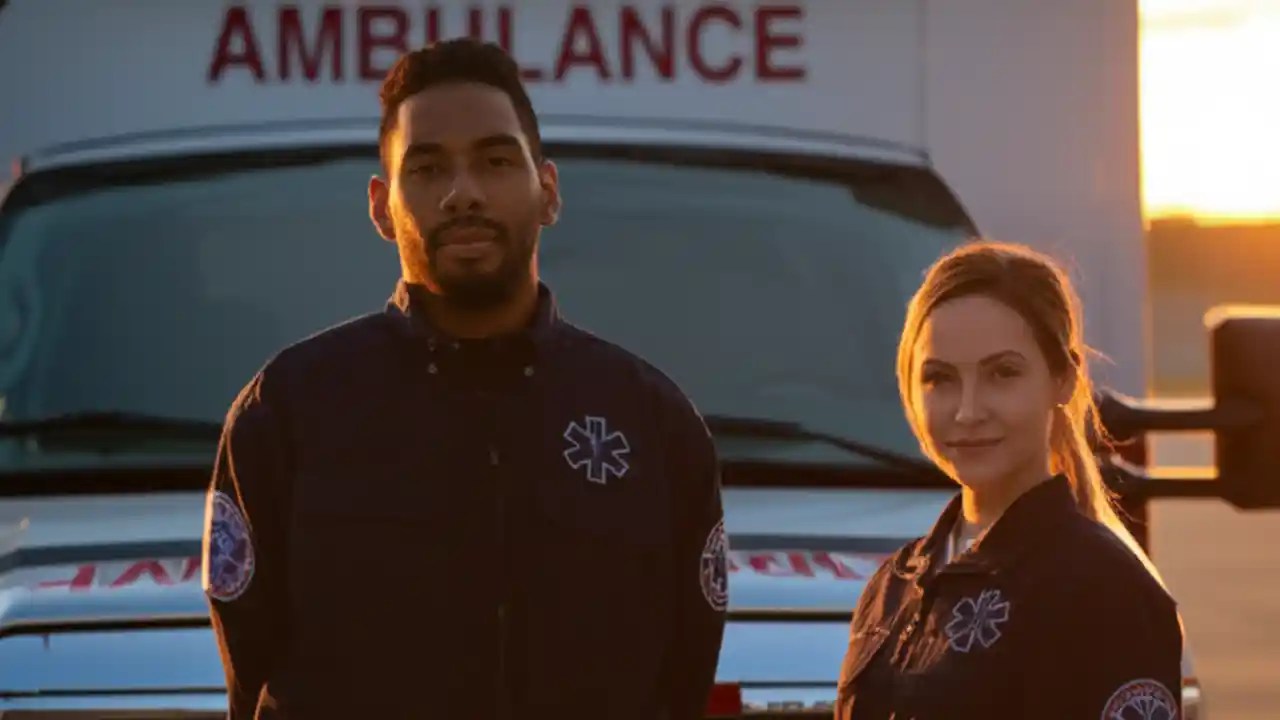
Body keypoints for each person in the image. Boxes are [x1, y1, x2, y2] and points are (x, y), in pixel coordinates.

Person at [201, 38, 727, 720]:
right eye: (426, 168)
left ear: (548, 189)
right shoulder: (290, 414)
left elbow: (681, 680)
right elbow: (250, 675)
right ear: (381, 206)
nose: (463, 194)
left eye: (496, 160)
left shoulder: (652, 423)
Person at [835, 240, 1184, 719]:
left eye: (1003, 373)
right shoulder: (893, 584)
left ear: (1063, 379)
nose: (968, 411)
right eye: (940, 378)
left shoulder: (1106, 590)